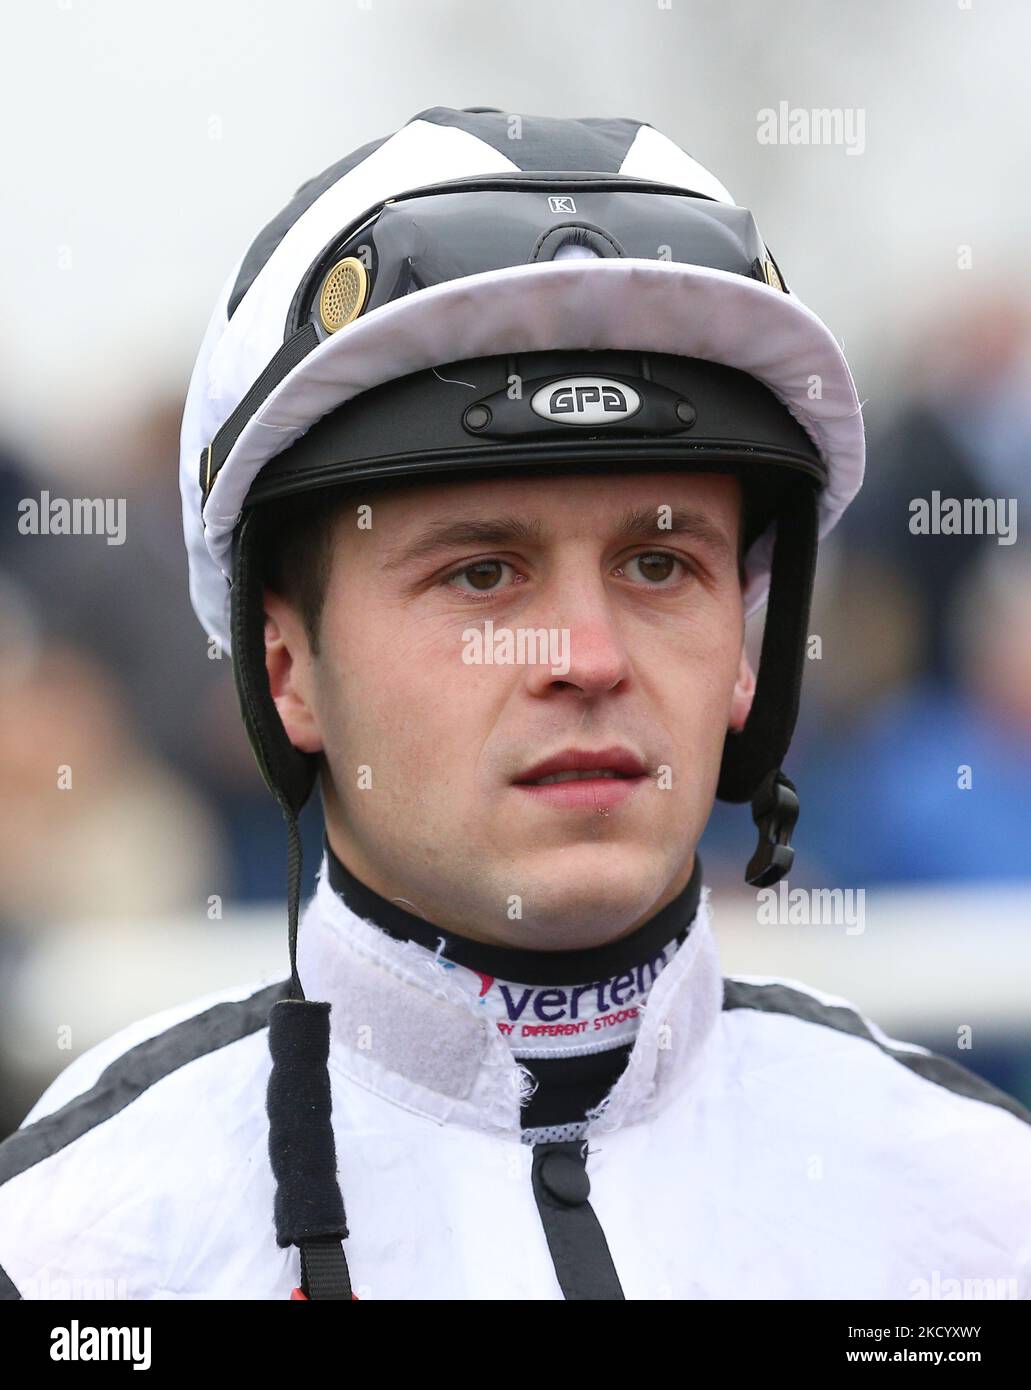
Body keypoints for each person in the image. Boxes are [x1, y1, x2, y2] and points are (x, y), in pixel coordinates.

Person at [1, 106, 1028, 1302]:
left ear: (745, 656)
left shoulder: (980, 1207)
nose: (584, 656)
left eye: (659, 565)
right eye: (480, 572)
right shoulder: (75, 1248)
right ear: (285, 667)